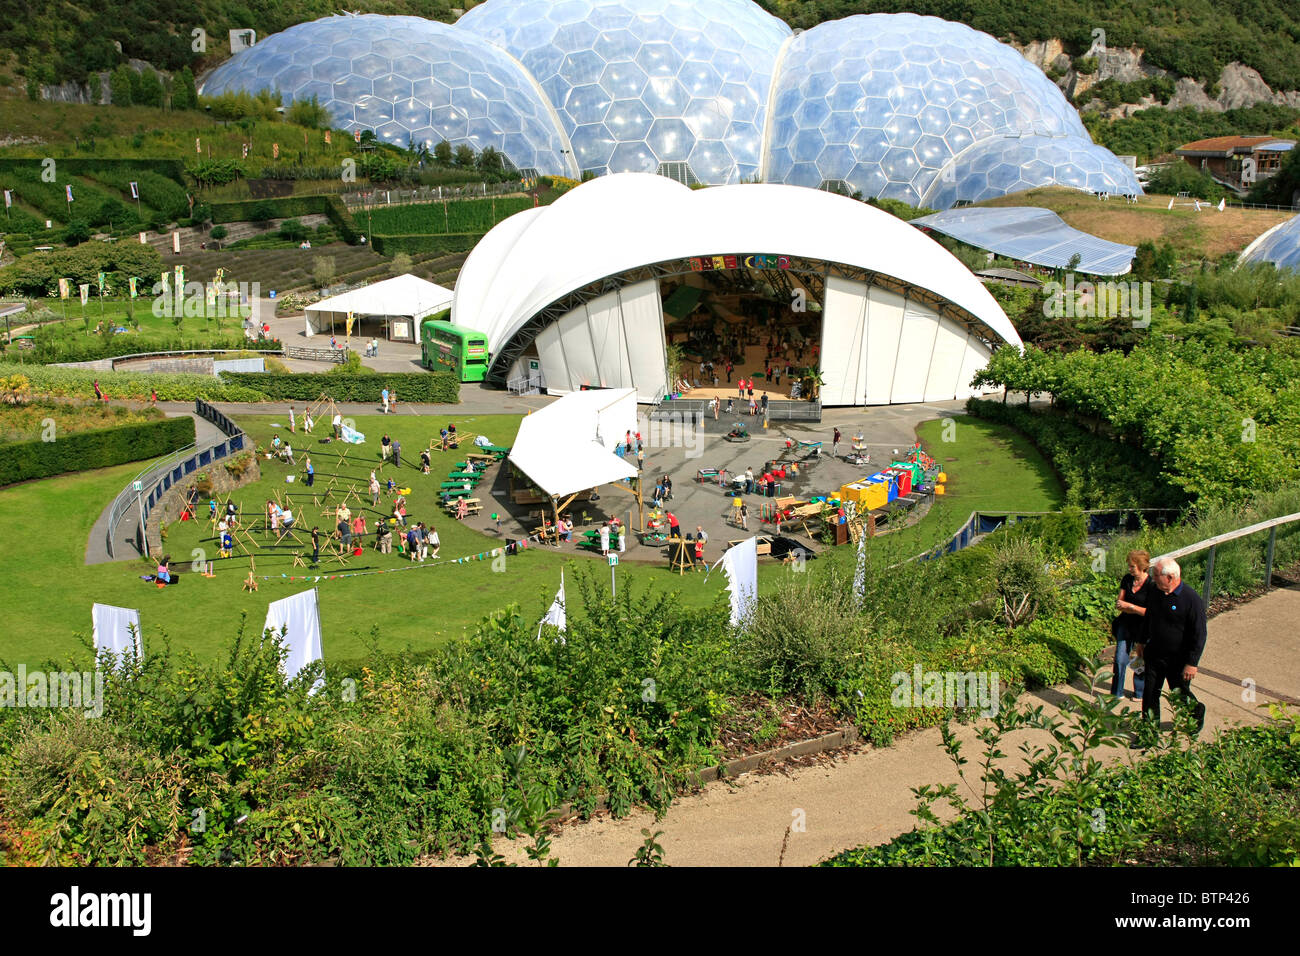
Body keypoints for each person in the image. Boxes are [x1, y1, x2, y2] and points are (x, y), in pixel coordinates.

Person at [1133, 557, 1207, 740]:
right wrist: (1141, 642)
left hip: (1178, 660)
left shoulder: (1191, 599)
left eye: (1156, 575)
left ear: (1170, 577)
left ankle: (1196, 712)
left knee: (1180, 695)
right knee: (1150, 694)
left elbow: (1199, 634)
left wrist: (1192, 663)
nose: (1153, 577)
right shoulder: (1155, 592)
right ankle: (1149, 734)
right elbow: (1148, 618)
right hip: (1155, 654)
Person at [1112, 550, 1154, 701]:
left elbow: (1149, 612)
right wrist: (1132, 609)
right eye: (1129, 566)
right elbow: (1119, 603)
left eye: (1133, 567)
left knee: (1141, 658)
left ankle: (1140, 691)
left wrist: (1130, 607)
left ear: (1142, 567)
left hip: (1143, 627)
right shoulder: (1127, 580)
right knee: (1120, 658)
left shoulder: (1151, 585)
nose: (1130, 569)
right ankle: (1117, 691)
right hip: (1125, 623)